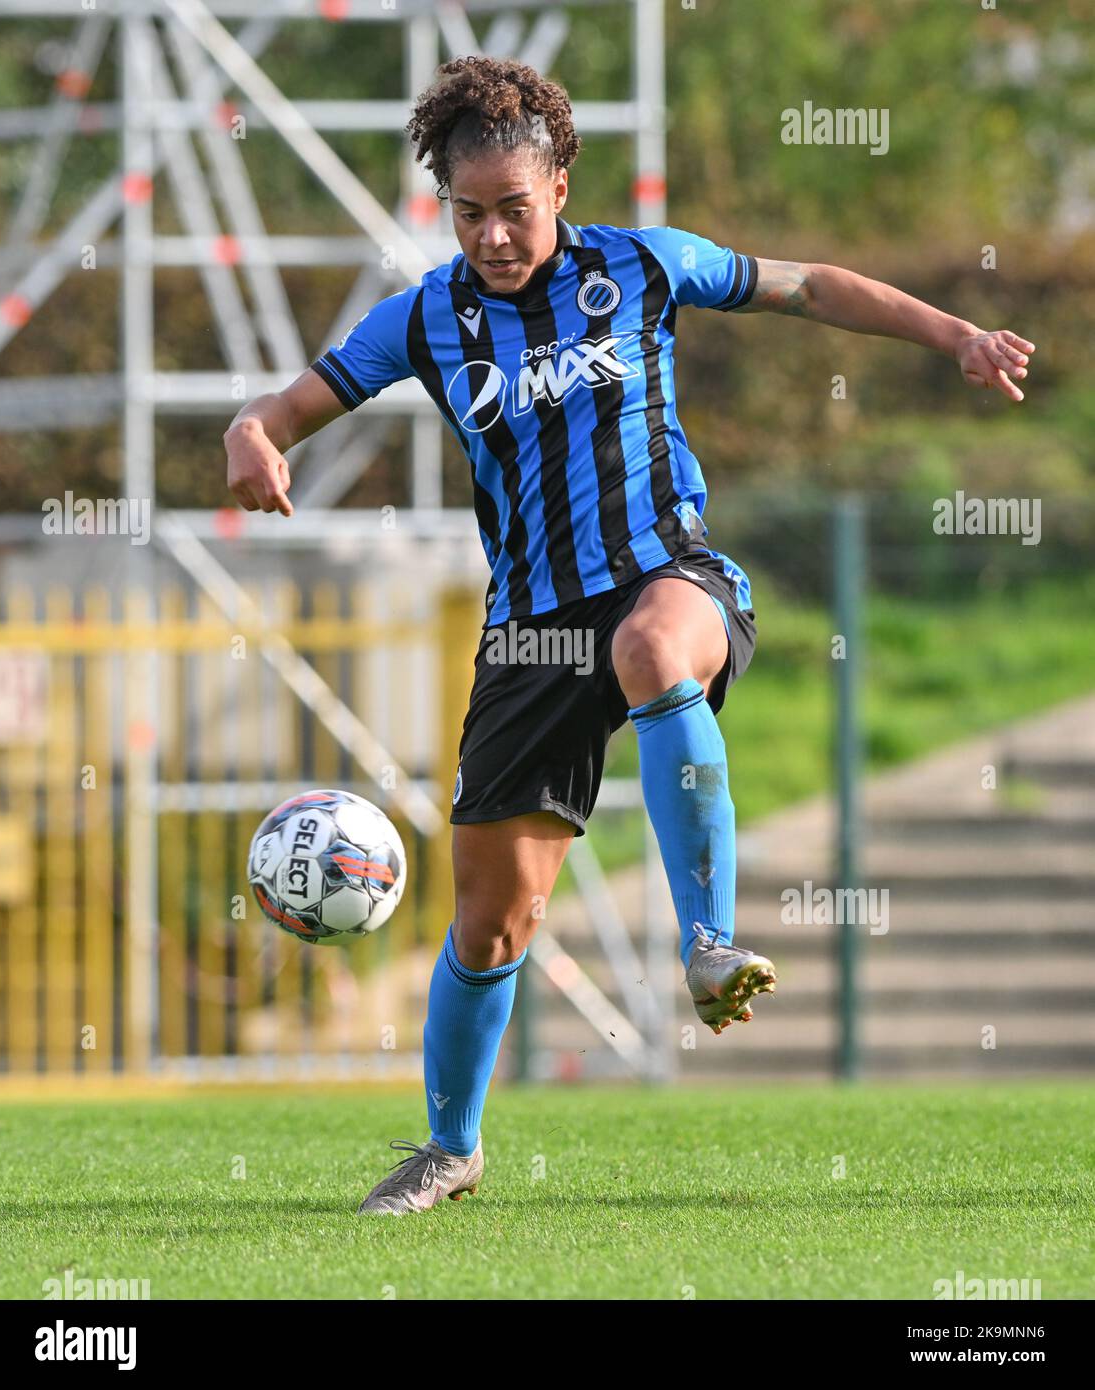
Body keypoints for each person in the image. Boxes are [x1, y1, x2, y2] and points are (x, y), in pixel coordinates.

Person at [225, 56, 1034, 1216]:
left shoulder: (642, 265)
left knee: (654, 651)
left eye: (515, 205)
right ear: (443, 208)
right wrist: (254, 433)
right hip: (531, 632)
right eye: (469, 213)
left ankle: (708, 943)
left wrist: (954, 333)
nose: (495, 234)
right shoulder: (424, 320)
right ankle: (450, 1149)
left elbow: (809, 288)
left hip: (675, 574)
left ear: (560, 181)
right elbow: (286, 407)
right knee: (492, 922)